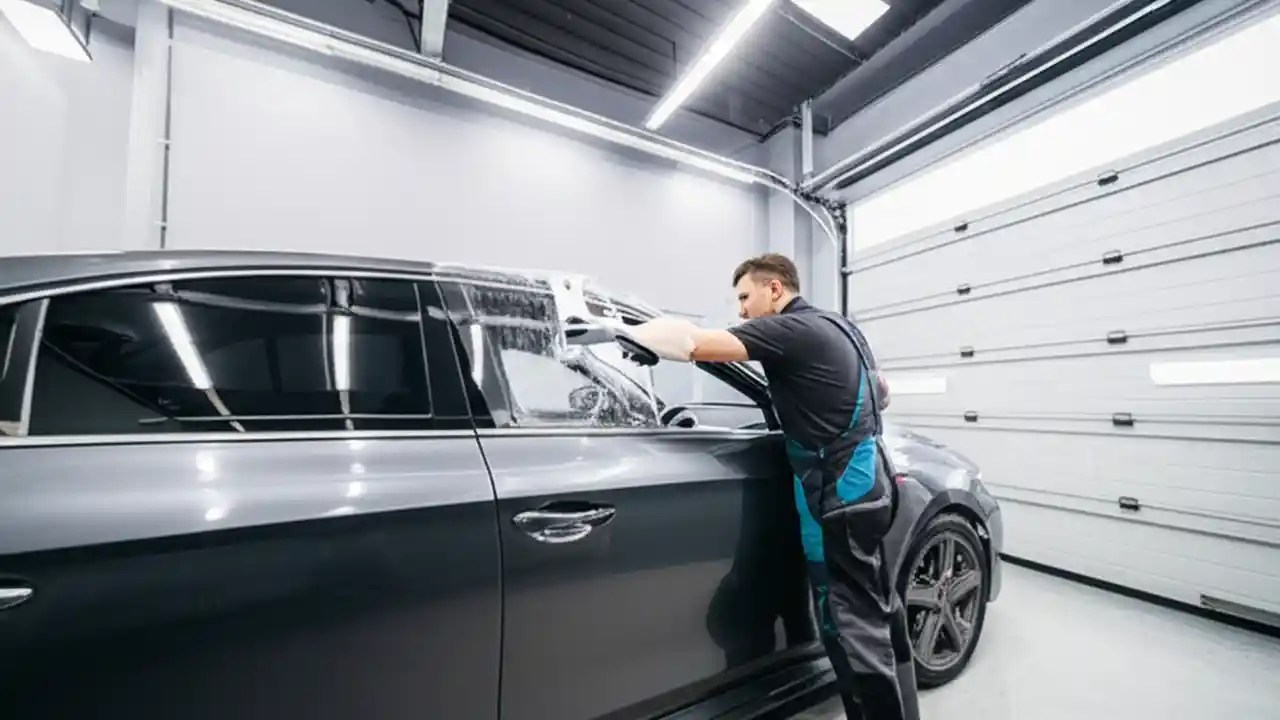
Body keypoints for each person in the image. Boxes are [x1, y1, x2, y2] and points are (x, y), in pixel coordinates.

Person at [625, 253, 919, 720]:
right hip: (870, 488)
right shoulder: (840, 328)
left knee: (850, 627)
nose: (741, 310)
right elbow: (880, 391)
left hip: (838, 498)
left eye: (745, 297)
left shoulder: (789, 330)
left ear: (775, 289)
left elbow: (693, 345)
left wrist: (627, 332)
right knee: (880, 610)